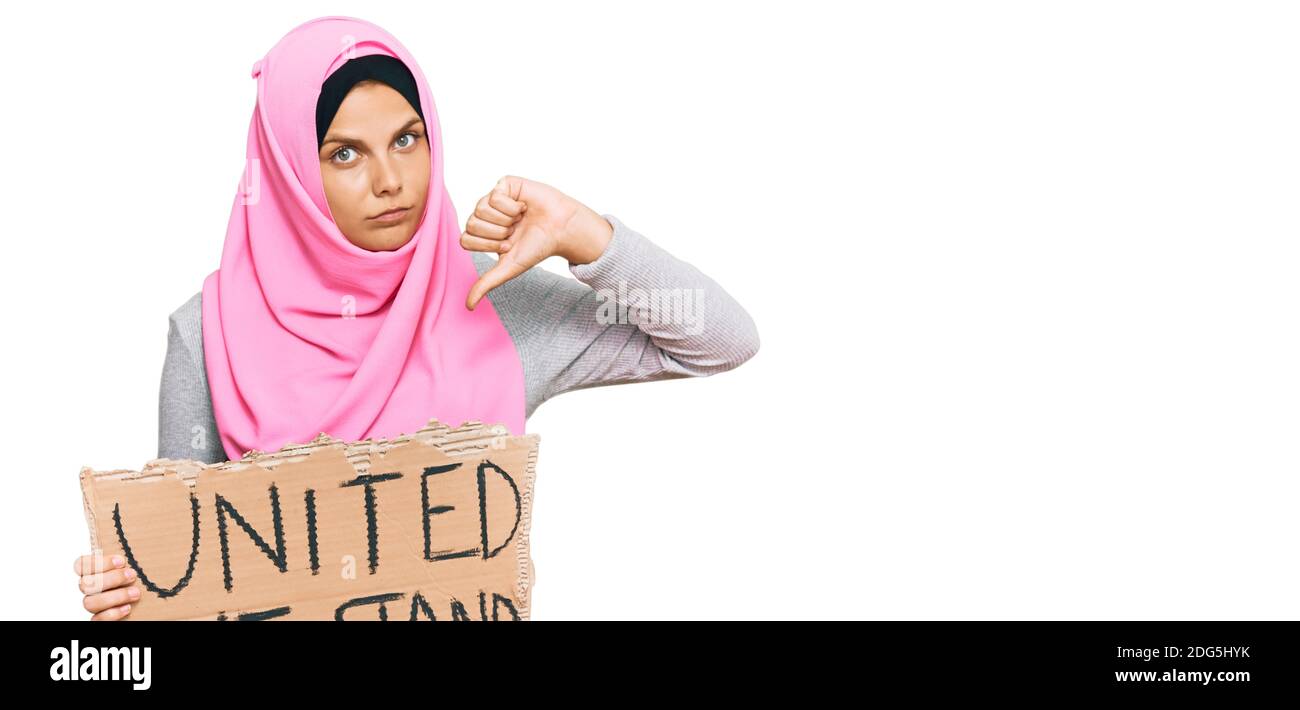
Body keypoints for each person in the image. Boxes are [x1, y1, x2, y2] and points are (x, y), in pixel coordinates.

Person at [73, 15, 758, 620]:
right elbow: (187, 573)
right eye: (345, 154)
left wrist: (586, 233)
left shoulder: (492, 303)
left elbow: (720, 341)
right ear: (287, 172)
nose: (391, 181)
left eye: (407, 139)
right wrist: (129, 596)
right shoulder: (208, 335)